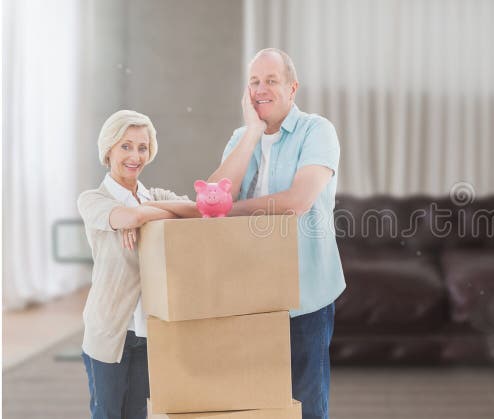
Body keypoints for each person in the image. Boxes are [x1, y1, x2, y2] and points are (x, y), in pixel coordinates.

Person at [207, 48, 345, 419]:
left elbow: (297, 201)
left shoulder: (317, 131)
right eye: (254, 82)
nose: (261, 89)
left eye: (271, 80)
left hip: (304, 293)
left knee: (306, 403)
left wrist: (228, 212)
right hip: (246, 292)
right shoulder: (241, 137)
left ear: (292, 87)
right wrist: (252, 132)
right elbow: (213, 198)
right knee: (250, 403)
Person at [77, 110, 195, 419]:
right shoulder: (93, 200)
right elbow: (128, 217)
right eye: (126, 146)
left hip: (147, 330)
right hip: (109, 331)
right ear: (109, 149)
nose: (135, 155)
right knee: (108, 414)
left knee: (137, 414)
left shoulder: (153, 196)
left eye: (142, 147)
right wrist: (136, 216)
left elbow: (197, 210)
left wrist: (144, 211)